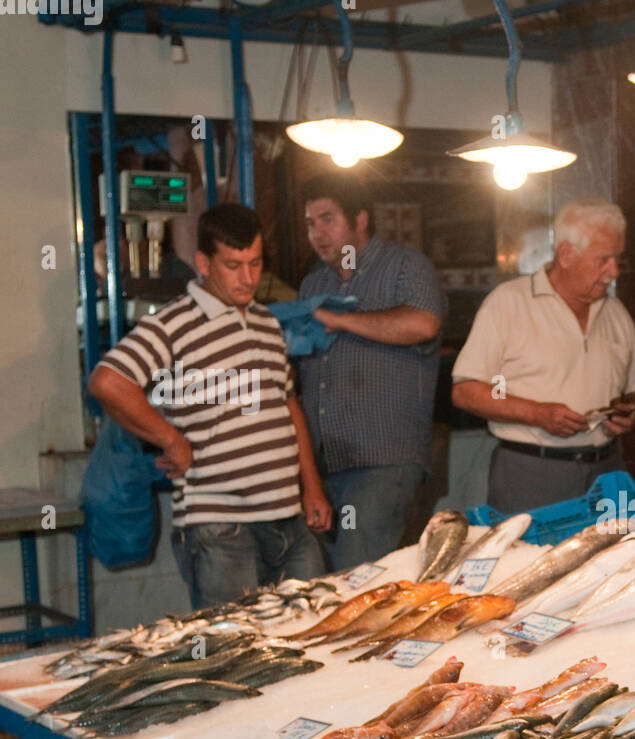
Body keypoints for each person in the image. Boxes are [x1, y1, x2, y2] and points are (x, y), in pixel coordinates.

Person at [86, 203, 331, 610]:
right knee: (234, 646)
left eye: (255, 263)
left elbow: (288, 406)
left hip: (288, 518)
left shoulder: (267, 323)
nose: (248, 277)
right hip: (219, 525)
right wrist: (171, 439)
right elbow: (108, 382)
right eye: (233, 265)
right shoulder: (172, 323)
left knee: (311, 630)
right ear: (203, 262)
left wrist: (313, 488)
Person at [451, 198, 635, 514]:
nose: (613, 271)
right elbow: (466, 392)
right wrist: (537, 414)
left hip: (608, 472)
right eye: (603, 259)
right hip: (531, 474)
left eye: (618, 259)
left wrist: (633, 411)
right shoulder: (508, 303)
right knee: (529, 562)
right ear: (566, 255)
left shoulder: (616, 312)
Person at [296, 174, 445, 571]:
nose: (318, 233)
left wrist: (341, 321)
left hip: (383, 458)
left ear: (360, 219)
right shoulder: (314, 282)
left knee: (358, 577)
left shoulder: (404, 266)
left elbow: (423, 324)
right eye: (310, 224)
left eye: (328, 219)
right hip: (325, 464)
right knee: (329, 583)